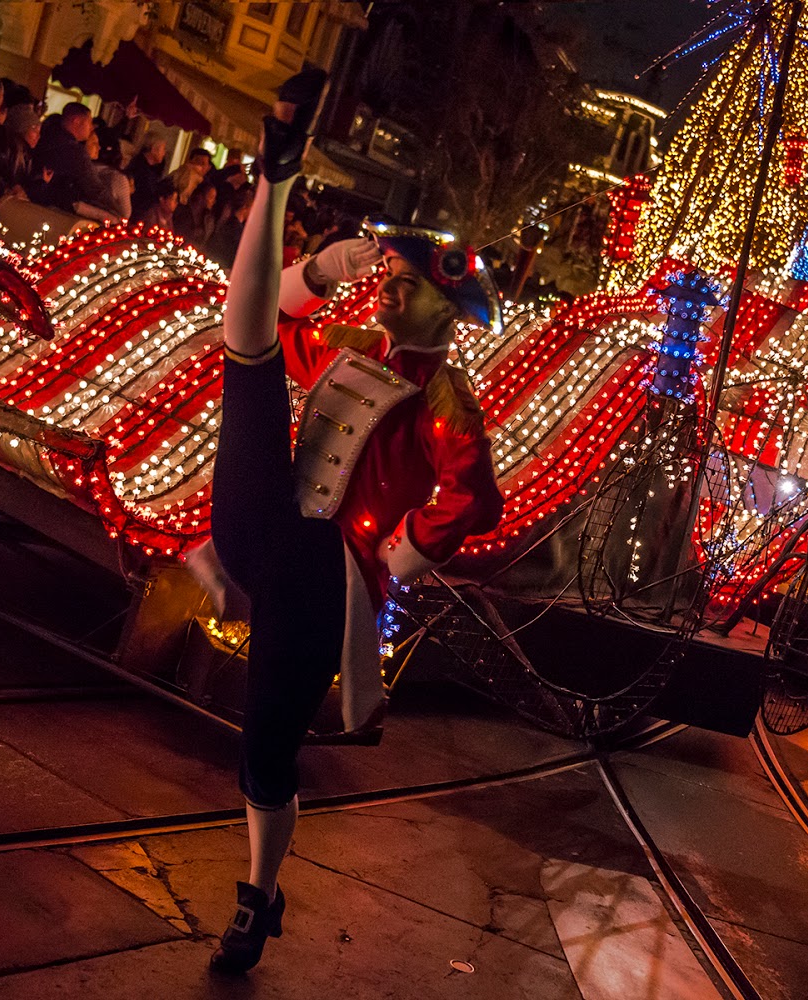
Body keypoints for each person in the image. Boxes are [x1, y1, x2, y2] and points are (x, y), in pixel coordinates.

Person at [188, 69, 504, 974]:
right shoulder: (356, 345)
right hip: (266, 523)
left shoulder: (447, 400)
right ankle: (275, 174)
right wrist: (321, 271)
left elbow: (475, 500)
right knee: (246, 356)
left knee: (266, 745)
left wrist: (393, 561)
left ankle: (259, 895)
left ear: (448, 308)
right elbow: (262, 321)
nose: (388, 293)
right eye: (390, 279)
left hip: (327, 578)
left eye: (405, 285)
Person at [31, 103, 113, 217]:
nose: (91, 127)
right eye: (89, 122)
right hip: (54, 209)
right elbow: (95, 189)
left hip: (36, 201)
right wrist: (116, 207)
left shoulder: (47, 135)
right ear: (76, 121)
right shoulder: (74, 151)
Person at [172, 181, 217, 252]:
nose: (214, 201)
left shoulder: (208, 219)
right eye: (211, 197)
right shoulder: (182, 212)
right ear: (200, 196)